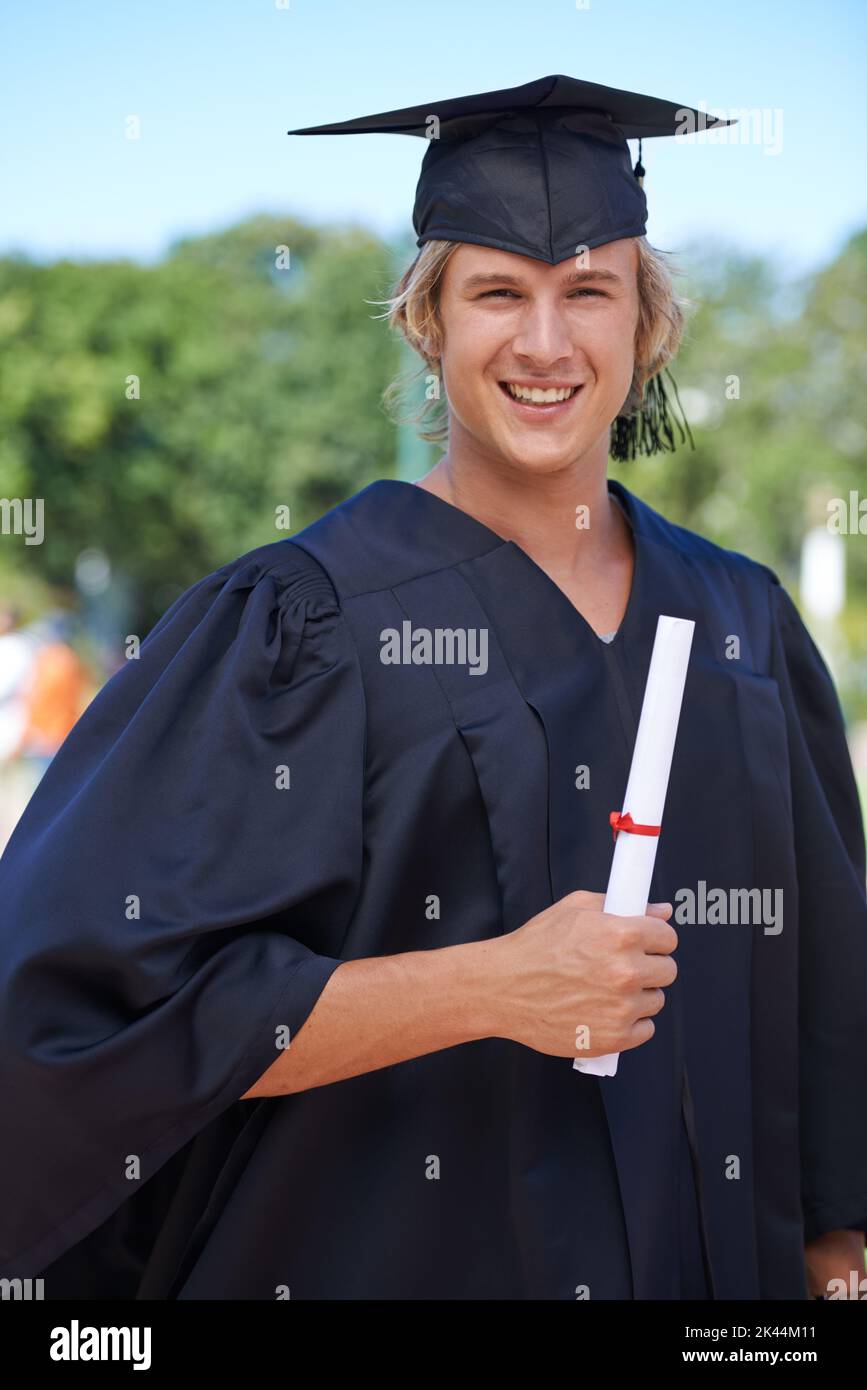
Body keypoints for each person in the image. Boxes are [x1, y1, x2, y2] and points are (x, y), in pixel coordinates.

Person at [1, 75, 865, 1301]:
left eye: (589, 293)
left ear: (649, 326)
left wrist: (836, 1255)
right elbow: (101, 1008)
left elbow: (829, 993)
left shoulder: (739, 624)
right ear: (428, 323)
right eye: (499, 293)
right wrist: (492, 985)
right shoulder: (300, 622)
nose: (547, 342)